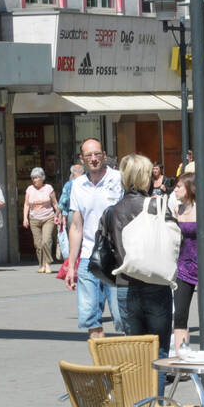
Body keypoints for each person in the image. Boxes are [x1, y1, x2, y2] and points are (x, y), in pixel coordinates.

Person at [100, 155, 179, 350]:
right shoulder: (157, 206)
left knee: (137, 352)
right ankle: (157, 382)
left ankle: (139, 382)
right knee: (159, 352)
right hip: (156, 283)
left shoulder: (112, 211)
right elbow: (177, 241)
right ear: (146, 178)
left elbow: (105, 247)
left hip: (125, 285)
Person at [63, 139, 124, 340]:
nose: (94, 159)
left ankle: (130, 364)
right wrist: (71, 265)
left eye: (97, 154)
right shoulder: (77, 185)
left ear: (104, 155)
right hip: (89, 256)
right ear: (82, 159)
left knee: (122, 315)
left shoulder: (119, 179)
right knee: (89, 315)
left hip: (117, 257)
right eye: (89, 156)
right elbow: (76, 226)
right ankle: (101, 365)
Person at [172, 173, 204, 349]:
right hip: (183, 266)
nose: (176, 189)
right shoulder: (177, 209)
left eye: (179, 186)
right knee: (179, 315)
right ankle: (182, 358)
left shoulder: (203, 209)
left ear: (190, 188)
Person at [22, 167, 60, 274]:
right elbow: (26, 204)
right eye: (33, 178)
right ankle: (41, 264)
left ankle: (47, 263)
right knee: (38, 243)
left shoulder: (48, 188)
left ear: (42, 178)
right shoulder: (29, 189)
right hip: (34, 218)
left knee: (46, 241)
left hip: (48, 217)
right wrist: (25, 218)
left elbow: (55, 203)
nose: (34, 180)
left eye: (37, 178)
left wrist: (59, 215)